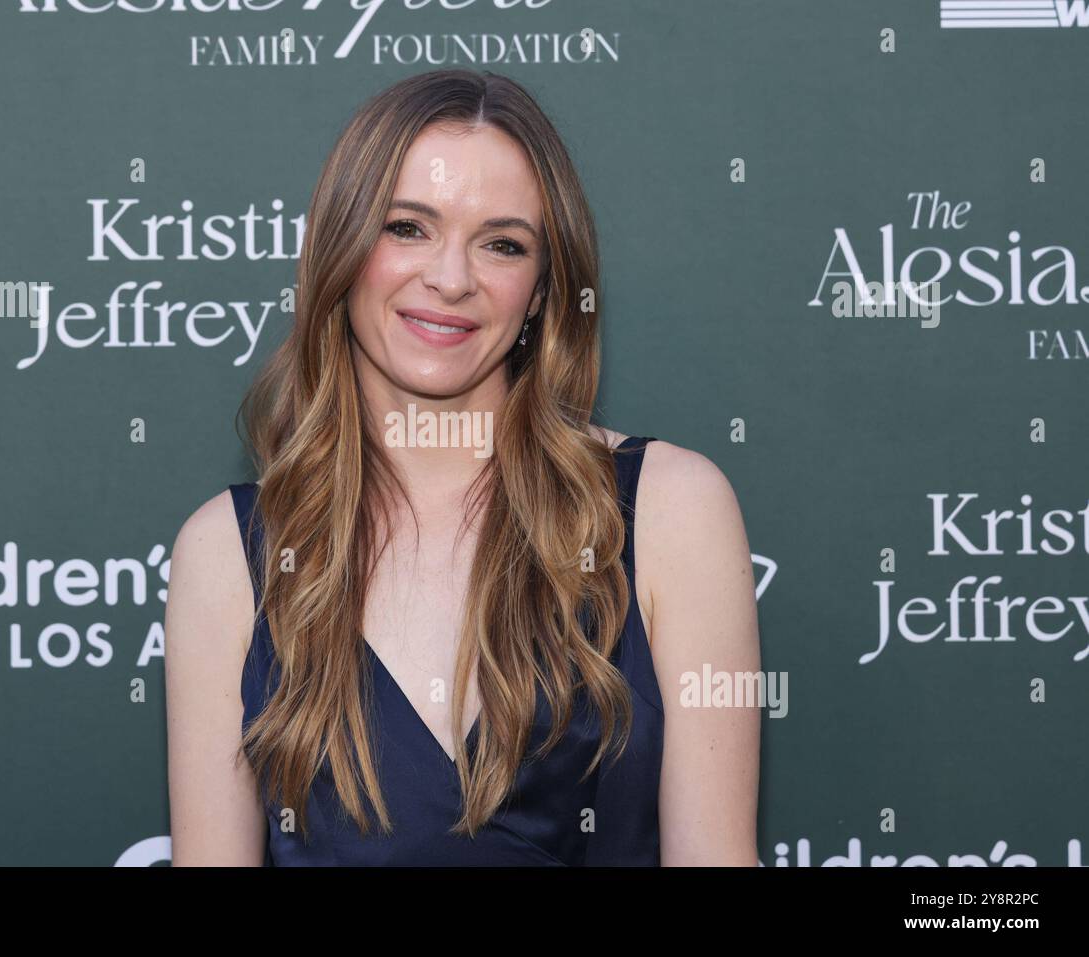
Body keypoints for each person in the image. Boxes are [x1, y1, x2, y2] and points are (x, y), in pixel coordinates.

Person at [165, 68, 760, 866]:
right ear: (340, 249)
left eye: (502, 244)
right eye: (407, 227)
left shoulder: (669, 511)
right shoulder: (229, 554)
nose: (451, 278)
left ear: (546, 290)